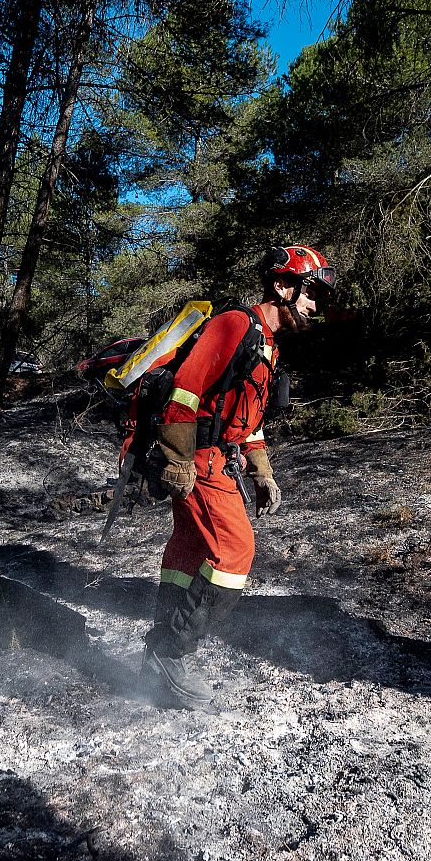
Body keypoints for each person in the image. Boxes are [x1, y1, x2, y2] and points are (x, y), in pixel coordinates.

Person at [141, 245, 337, 710]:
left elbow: (247, 421)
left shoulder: (268, 346)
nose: (315, 308)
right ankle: (174, 655)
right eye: (312, 295)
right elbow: (185, 391)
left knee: (188, 553)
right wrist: (177, 458)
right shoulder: (235, 324)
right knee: (234, 551)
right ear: (283, 286)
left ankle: (156, 660)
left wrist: (262, 470)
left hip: (217, 458)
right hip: (199, 461)